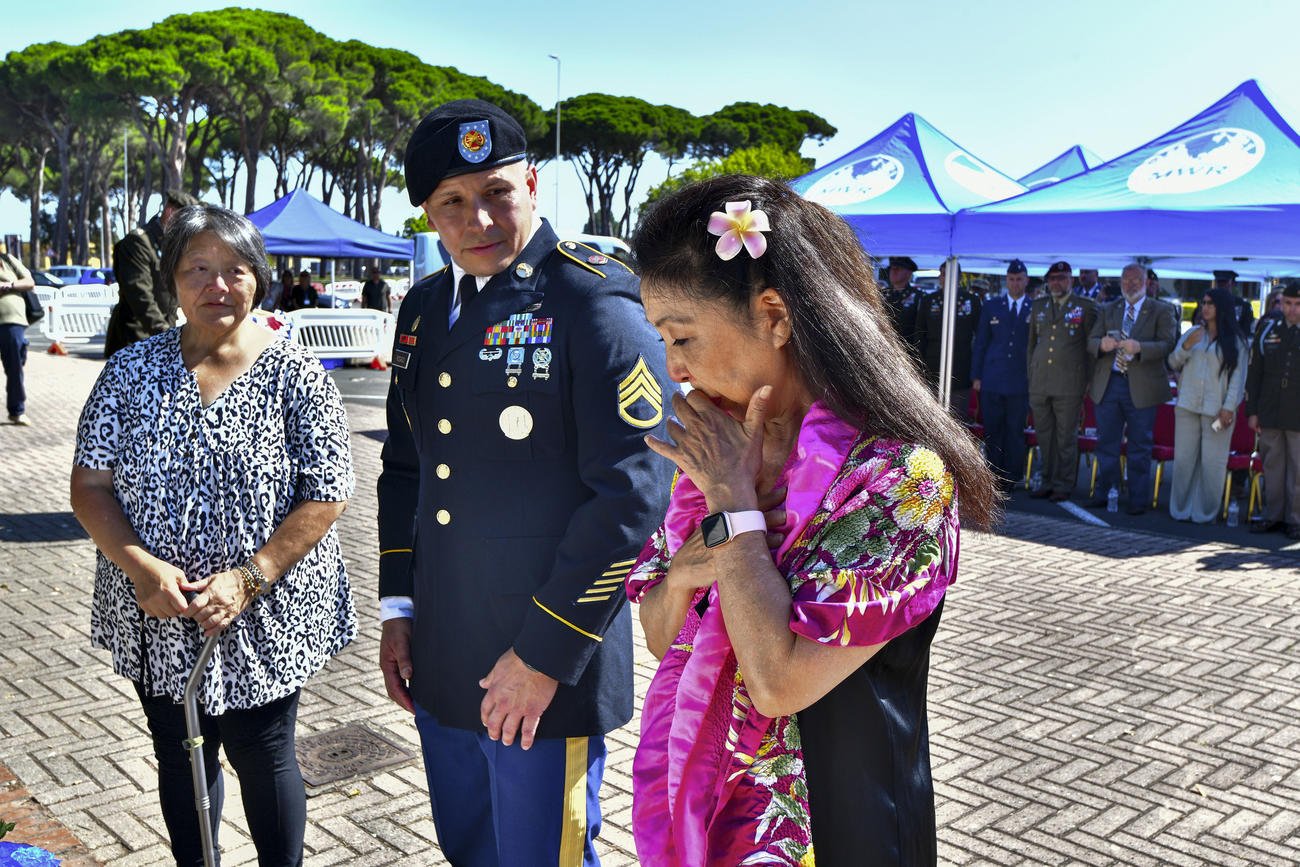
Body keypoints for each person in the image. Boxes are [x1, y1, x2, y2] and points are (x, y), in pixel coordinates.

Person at [624, 174, 997, 866]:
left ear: (774, 314)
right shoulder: (720, 446)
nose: (674, 369)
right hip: (710, 826)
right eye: (662, 341)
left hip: (844, 828)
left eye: (682, 338)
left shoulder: (898, 478)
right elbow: (657, 632)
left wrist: (733, 513)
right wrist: (685, 570)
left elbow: (777, 681)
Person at [376, 99, 672, 866]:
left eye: (496, 192)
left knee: (545, 856)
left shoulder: (591, 298)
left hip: (543, 663)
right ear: (428, 214)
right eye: (452, 202)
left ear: (533, 186)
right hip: (444, 652)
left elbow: (633, 492)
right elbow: (407, 469)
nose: (479, 218)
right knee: (470, 847)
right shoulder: (422, 310)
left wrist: (541, 656)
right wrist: (399, 608)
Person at [70, 204, 356, 866]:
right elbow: (90, 487)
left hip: (265, 607)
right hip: (157, 607)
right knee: (178, 745)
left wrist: (249, 576)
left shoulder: (296, 374)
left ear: (258, 278)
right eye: (197, 268)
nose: (216, 285)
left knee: (263, 748)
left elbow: (328, 491)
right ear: (172, 278)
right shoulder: (130, 371)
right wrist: (141, 566)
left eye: (233, 269)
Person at [1085, 263, 1179, 515]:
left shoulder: (1162, 309)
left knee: (1140, 445)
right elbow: (1090, 341)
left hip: (1143, 387)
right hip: (1109, 384)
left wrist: (1141, 348)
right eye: (1126, 280)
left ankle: (1138, 499)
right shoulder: (1108, 309)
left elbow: (1168, 344)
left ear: (1147, 282)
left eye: (1136, 280)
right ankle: (1105, 492)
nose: (1130, 284)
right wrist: (1101, 344)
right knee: (1106, 443)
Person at [1166, 288, 1248, 523]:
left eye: (1211, 303)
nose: (1205, 307)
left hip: (1217, 411)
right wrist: (1185, 347)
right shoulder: (1193, 333)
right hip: (1187, 407)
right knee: (1183, 461)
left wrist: (1229, 408)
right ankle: (1180, 510)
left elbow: (1237, 379)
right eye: (1203, 302)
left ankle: (1205, 513)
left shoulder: (1237, 342)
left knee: (1212, 463)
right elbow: (1172, 363)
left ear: (1222, 308)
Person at [1027, 261, 1096, 501]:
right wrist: (1031, 374)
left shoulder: (1085, 307)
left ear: (1071, 280)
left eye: (1062, 278)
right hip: (1040, 381)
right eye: (1053, 278)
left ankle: (1063, 484)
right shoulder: (1039, 306)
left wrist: (1088, 380)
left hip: (1070, 382)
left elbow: (1092, 347)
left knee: (1065, 436)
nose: (1057, 282)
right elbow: (1031, 344)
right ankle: (1046, 479)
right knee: (1044, 435)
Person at [105, 190, 199, 358]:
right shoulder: (138, 243)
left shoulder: (172, 245)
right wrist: (166, 336)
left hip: (159, 337)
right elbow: (141, 297)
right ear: (171, 212)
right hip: (134, 339)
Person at [1245, 282, 1300, 539]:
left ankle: (1295, 519)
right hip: (1270, 409)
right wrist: (1252, 411)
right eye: (1288, 303)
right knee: (1273, 465)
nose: (1292, 309)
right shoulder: (1268, 329)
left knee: (1298, 469)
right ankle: (1273, 515)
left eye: (1298, 305)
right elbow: (1255, 374)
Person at [972, 259, 1032, 491]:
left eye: (1019, 279)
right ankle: (993, 476)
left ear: (1026, 280)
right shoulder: (992, 306)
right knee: (993, 430)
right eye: (1011, 279)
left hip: (1020, 381)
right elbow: (981, 343)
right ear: (1006, 280)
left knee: (1015, 431)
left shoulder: (1033, 307)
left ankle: (1013, 476)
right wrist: (976, 375)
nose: (1015, 283)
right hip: (992, 379)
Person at [914, 260, 980, 416]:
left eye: (950, 274)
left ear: (958, 277)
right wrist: (919, 365)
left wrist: (976, 371)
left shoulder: (971, 300)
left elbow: (980, 337)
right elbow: (920, 334)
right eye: (943, 274)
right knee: (933, 415)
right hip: (933, 366)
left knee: (957, 417)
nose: (946, 277)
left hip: (961, 368)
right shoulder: (929, 300)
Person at [0, 247, 36, 425]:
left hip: (13, 320)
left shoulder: (8, 260)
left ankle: (17, 410)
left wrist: (9, 285)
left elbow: (29, 282)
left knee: (15, 366)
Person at [880, 256, 922, 350]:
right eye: (891, 269)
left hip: (908, 348)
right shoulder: (881, 295)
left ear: (908, 273)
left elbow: (920, 328)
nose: (893, 272)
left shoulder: (918, 297)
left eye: (897, 269)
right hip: (885, 347)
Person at [1213, 269, 1255, 335]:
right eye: (1219, 282)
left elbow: (1247, 330)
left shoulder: (1243, 305)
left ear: (1233, 283)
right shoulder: (1209, 303)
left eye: (1225, 282)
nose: (1221, 285)